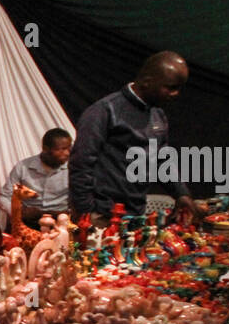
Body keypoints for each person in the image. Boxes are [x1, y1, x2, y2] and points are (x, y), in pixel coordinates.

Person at [68, 51, 201, 222]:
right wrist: (87, 213)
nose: (176, 94)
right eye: (170, 87)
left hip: (136, 215)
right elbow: (81, 164)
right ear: (147, 82)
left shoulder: (157, 115)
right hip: (102, 215)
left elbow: (162, 161)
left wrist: (181, 194)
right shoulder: (105, 111)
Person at [0, 128, 71, 229]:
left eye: (68, 148)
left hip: (60, 222)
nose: (67, 153)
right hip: (27, 223)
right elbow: (3, 197)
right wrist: (18, 212)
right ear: (45, 149)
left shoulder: (73, 168)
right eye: (61, 149)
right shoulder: (23, 167)